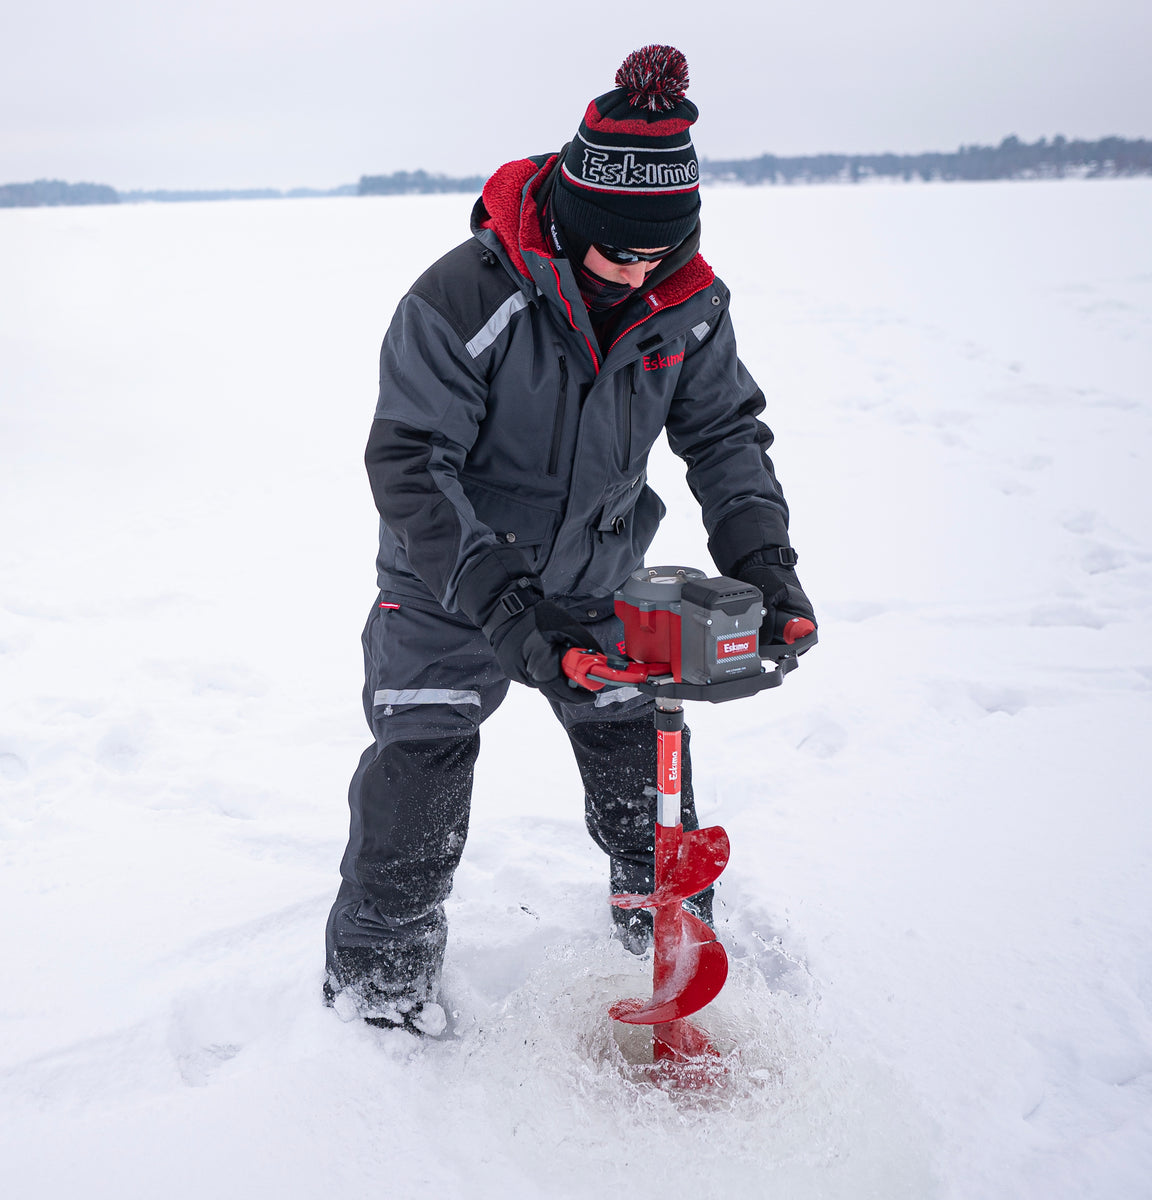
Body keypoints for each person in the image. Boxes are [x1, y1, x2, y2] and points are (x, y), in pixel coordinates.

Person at [324, 45, 816, 1033]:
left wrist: (766, 566)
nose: (638, 272)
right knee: (417, 789)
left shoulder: (686, 303)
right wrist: (506, 604)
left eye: (658, 253)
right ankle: (380, 1004)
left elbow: (723, 435)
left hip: (598, 579)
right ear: (572, 218)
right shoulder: (464, 300)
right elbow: (413, 463)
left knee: (647, 776)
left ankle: (666, 947)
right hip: (448, 581)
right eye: (619, 251)